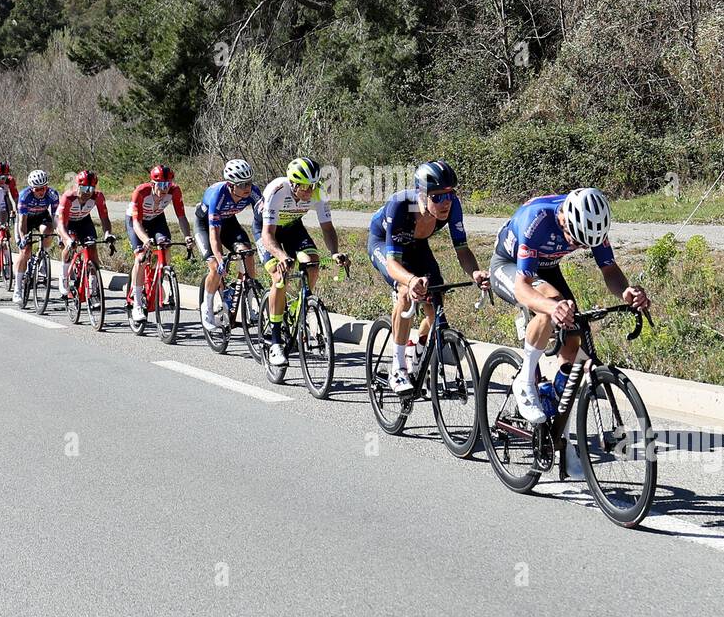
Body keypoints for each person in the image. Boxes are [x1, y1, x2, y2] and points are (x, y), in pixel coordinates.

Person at [489, 188, 651, 423]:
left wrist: (625, 291)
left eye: (586, 245)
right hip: (509, 265)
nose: (581, 246)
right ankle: (524, 381)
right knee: (551, 304)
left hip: (546, 267)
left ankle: (556, 418)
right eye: (576, 241)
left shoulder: (589, 224)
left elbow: (609, 269)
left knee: (573, 338)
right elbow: (523, 287)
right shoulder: (535, 220)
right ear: (565, 220)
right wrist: (550, 307)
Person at [368, 160, 488, 396]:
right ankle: (398, 367)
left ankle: (419, 354)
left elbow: (462, 250)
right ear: (422, 196)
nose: (445, 203)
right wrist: (411, 281)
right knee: (405, 293)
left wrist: (475, 272)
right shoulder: (401, 205)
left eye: (450, 195)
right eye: (437, 197)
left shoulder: (452, 207)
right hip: (384, 245)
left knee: (435, 300)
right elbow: (393, 262)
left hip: (417, 245)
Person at [255, 156, 349, 365]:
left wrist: (334, 252)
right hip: (268, 231)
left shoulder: (318, 191)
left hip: (293, 227)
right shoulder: (277, 191)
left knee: (313, 263)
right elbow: (268, 236)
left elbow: (327, 228)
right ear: (293, 183)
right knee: (280, 276)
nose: (309, 191)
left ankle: (302, 305)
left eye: (312, 185)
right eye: (304, 187)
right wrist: (282, 256)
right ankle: (277, 341)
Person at [193, 159, 263, 333]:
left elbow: (264, 219)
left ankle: (249, 301)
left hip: (229, 223)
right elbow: (214, 235)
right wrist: (219, 257)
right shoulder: (218, 195)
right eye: (242, 184)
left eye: (249, 182)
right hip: (205, 226)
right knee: (216, 266)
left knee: (247, 253)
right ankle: (207, 307)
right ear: (231, 185)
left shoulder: (253, 192)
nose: (248, 187)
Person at [126, 165, 193, 323]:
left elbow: (181, 217)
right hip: (136, 221)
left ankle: (159, 277)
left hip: (157, 219)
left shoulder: (175, 191)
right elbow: (136, 223)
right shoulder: (141, 192)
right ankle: (136, 302)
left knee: (166, 245)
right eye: (161, 185)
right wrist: (145, 239)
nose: (164, 189)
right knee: (141, 257)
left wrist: (187, 236)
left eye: (167, 185)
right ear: (152, 183)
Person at [56, 170, 116, 292]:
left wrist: (107, 234)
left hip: (83, 220)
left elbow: (104, 218)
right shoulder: (68, 197)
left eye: (91, 188)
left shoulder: (98, 196)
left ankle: (93, 284)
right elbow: (61, 224)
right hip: (66, 221)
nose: (87, 192)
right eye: (84, 188)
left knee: (92, 247)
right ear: (77, 186)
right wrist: (67, 240)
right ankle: (64, 277)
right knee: (70, 244)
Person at [14, 169, 60, 303]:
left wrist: (59, 234)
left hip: (41, 216)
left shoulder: (52, 194)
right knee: (25, 251)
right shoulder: (24, 195)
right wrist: (23, 239)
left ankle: (42, 255)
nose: (41, 191)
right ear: (31, 188)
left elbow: (56, 218)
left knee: (48, 230)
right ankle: (17, 289)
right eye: (38, 189)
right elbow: (22, 223)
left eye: (44, 188)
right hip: (26, 219)